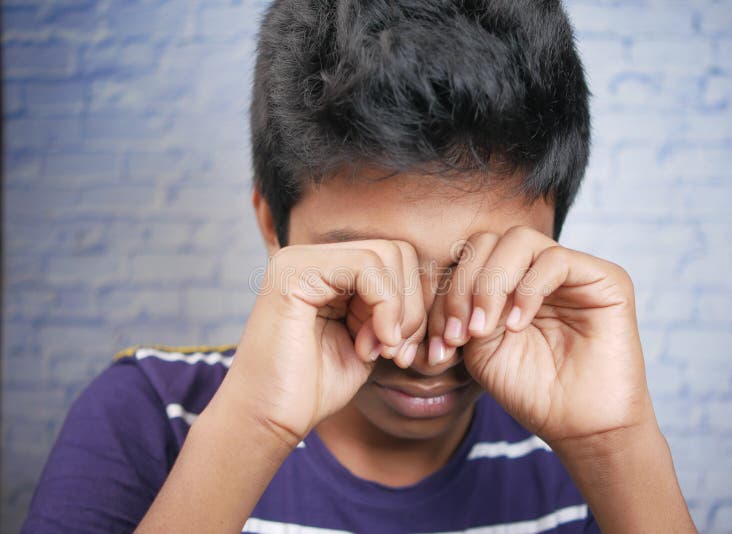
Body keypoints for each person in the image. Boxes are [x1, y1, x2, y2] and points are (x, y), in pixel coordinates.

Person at [22, 0, 697, 532]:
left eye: (484, 268)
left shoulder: (580, 458)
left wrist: (616, 446)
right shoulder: (146, 416)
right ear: (272, 227)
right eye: (364, 270)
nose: (427, 349)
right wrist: (252, 426)